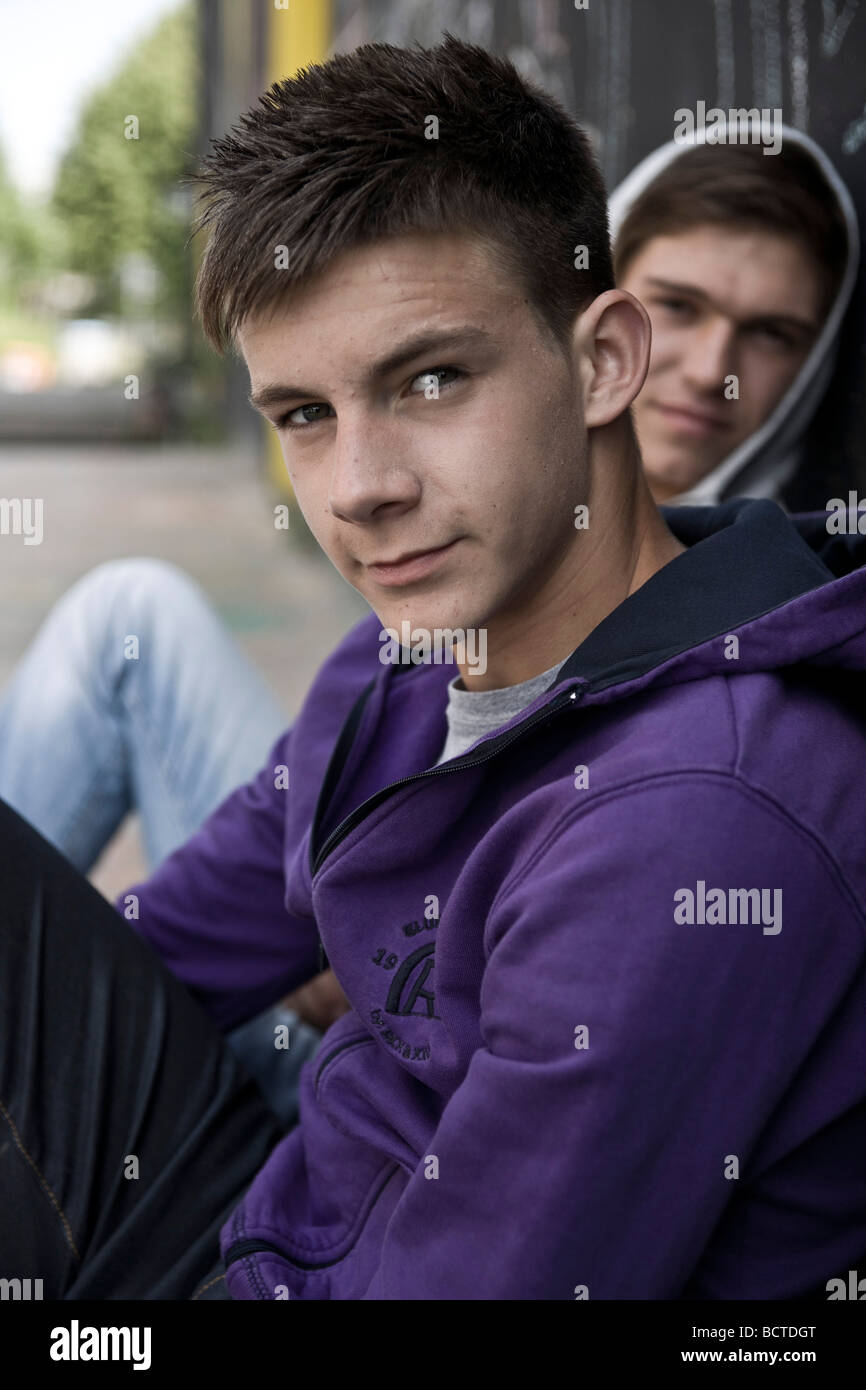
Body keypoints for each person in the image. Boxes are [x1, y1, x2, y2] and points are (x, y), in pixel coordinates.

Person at [3, 34, 866, 1301]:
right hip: (279, 1201)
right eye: (304, 413)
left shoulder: (698, 821)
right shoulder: (413, 653)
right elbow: (158, 958)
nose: (359, 490)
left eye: (431, 379)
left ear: (600, 360)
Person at [609, 125, 859, 508]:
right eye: (677, 306)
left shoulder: (824, 565)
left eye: (770, 334)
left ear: (813, 366)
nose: (709, 373)